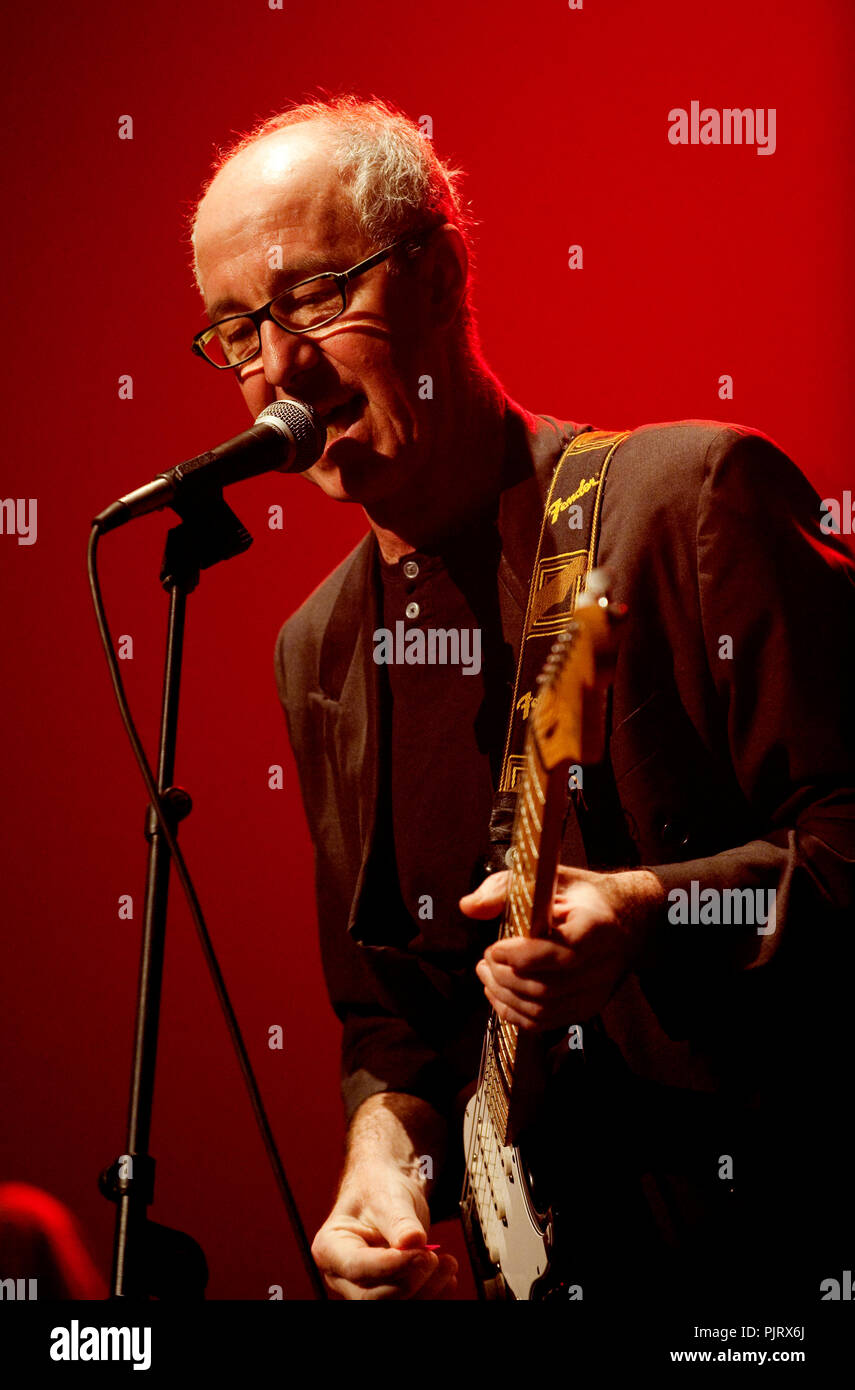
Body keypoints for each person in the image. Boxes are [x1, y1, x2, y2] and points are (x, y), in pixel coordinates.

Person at [189, 96, 855, 1302]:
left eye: (314, 300)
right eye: (236, 332)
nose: (277, 370)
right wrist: (381, 1163)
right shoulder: (318, 654)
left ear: (439, 276)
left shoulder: (680, 501)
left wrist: (658, 911)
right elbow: (396, 1023)